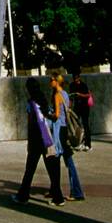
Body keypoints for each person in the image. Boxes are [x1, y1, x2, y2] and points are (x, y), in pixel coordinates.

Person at [14, 77, 64, 206]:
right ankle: (58, 197)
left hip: (36, 140)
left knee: (30, 169)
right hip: (46, 138)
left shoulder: (31, 103)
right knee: (51, 168)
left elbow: (32, 123)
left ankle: (23, 196)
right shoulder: (43, 99)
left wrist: (30, 141)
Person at [49, 72, 85, 200]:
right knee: (65, 160)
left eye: (51, 80)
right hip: (65, 130)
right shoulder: (64, 93)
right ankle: (57, 189)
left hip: (60, 131)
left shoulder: (57, 95)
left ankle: (75, 191)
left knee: (59, 160)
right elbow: (67, 108)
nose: (50, 82)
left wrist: (48, 115)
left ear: (56, 81)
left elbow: (57, 115)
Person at [70, 71, 93, 151]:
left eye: (77, 78)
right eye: (74, 78)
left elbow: (88, 95)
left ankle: (88, 144)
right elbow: (71, 98)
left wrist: (80, 95)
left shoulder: (83, 85)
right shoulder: (72, 85)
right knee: (76, 126)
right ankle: (78, 143)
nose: (76, 80)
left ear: (79, 78)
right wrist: (69, 107)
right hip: (77, 107)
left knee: (85, 125)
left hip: (84, 107)